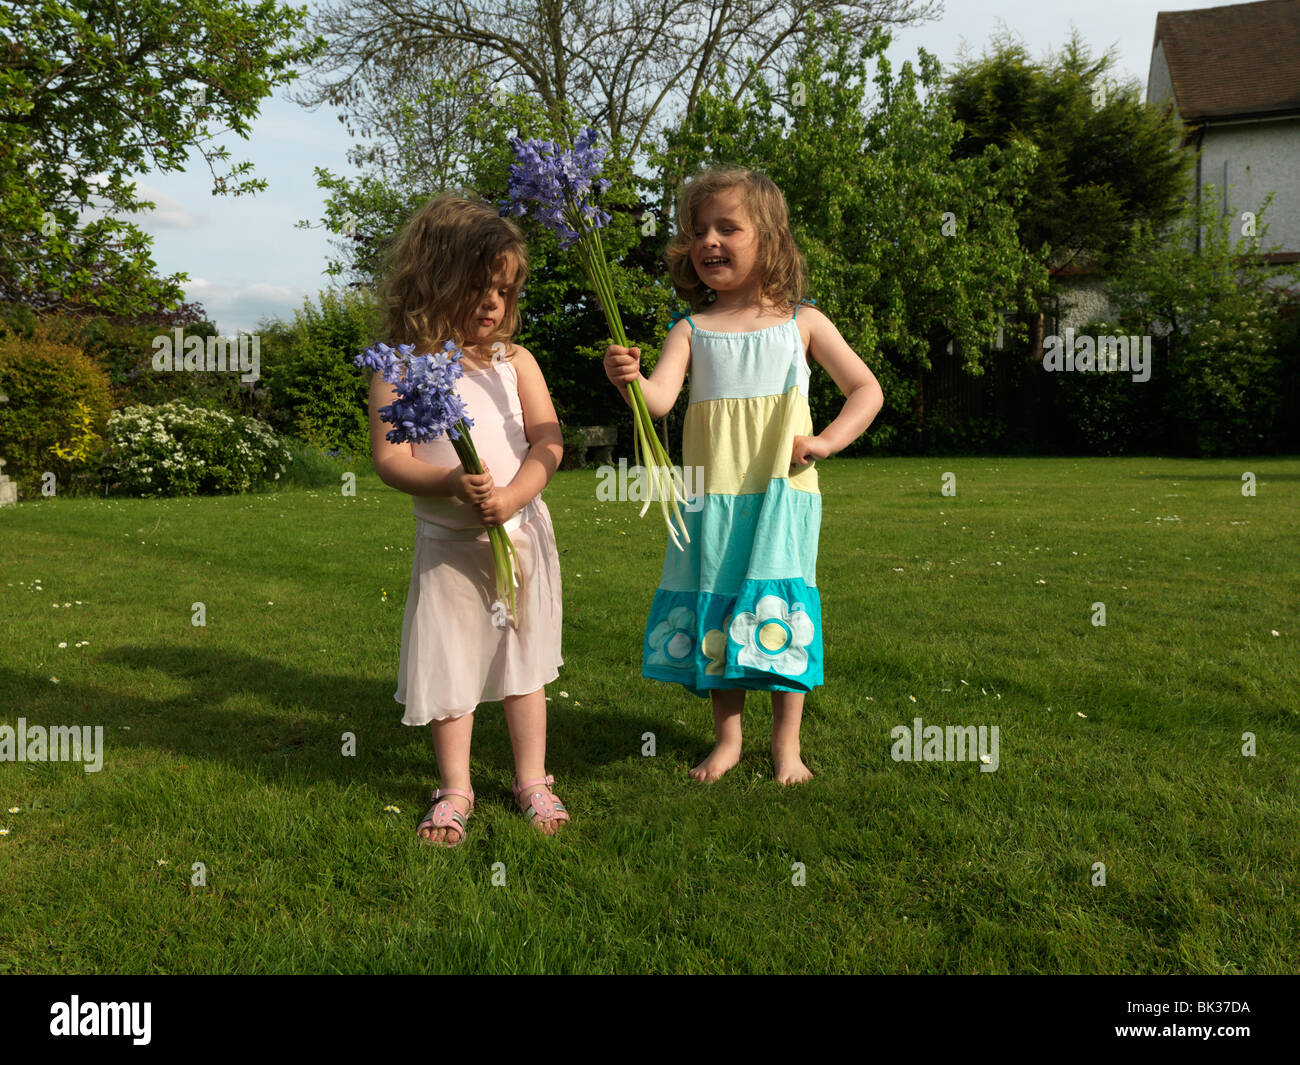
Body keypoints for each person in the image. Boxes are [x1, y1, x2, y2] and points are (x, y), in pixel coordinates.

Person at [604, 169, 883, 784]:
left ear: (771, 240)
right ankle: (727, 741)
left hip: (784, 496)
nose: (709, 241)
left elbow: (866, 389)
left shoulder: (801, 323)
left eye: (728, 227)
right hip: (711, 500)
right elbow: (656, 402)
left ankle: (787, 748)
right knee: (719, 607)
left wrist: (825, 441)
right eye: (698, 231)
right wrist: (627, 377)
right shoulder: (691, 329)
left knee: (781, 604)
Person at [368, 194, 569, 845]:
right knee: (452, 662)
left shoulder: (516, 363)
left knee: (522, 660)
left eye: (505, 291)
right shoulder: (398, 366)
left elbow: (547, 440)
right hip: (450, 544)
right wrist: (453, 480)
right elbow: (390, 458)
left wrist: (515, 494)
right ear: (433, 279)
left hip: (520, 535)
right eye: (477, 286)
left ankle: (532, 778)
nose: (492, 303)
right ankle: (455, 785)